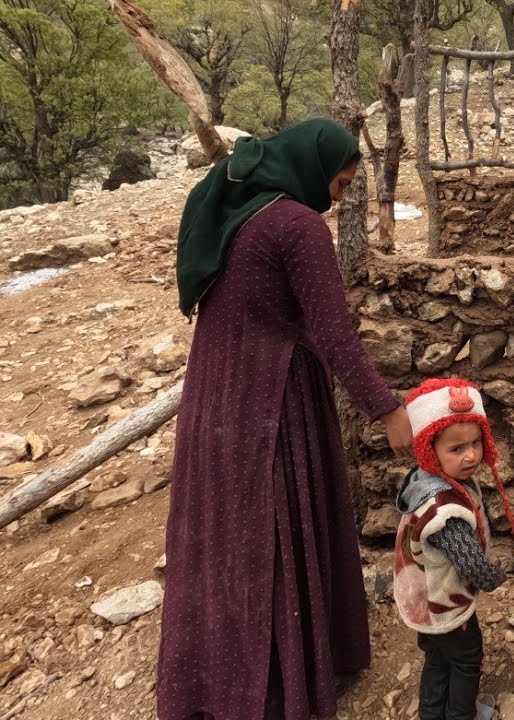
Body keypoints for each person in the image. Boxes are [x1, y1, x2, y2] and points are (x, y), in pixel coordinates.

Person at [158, 118, 416, 720]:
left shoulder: (240, 210)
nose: (338, 198)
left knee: (227, 542)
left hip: (212, 403)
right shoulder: (297, 226)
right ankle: (278, 690)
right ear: (313, 168)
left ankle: (209, 682)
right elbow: (333, 334)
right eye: (340, 184)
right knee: (275, 537)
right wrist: (387, 408)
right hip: (273, 405)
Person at [392, 377, 514, 720]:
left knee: (437, 658)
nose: (470, 455)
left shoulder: (423, 483)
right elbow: (470, 563)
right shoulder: (444, 510)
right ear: (429, 450)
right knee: (467, 660)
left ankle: (431, 714)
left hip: (424, 599)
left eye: (476, 443)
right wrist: (494, 578)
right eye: (456, 449)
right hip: (446, 606)